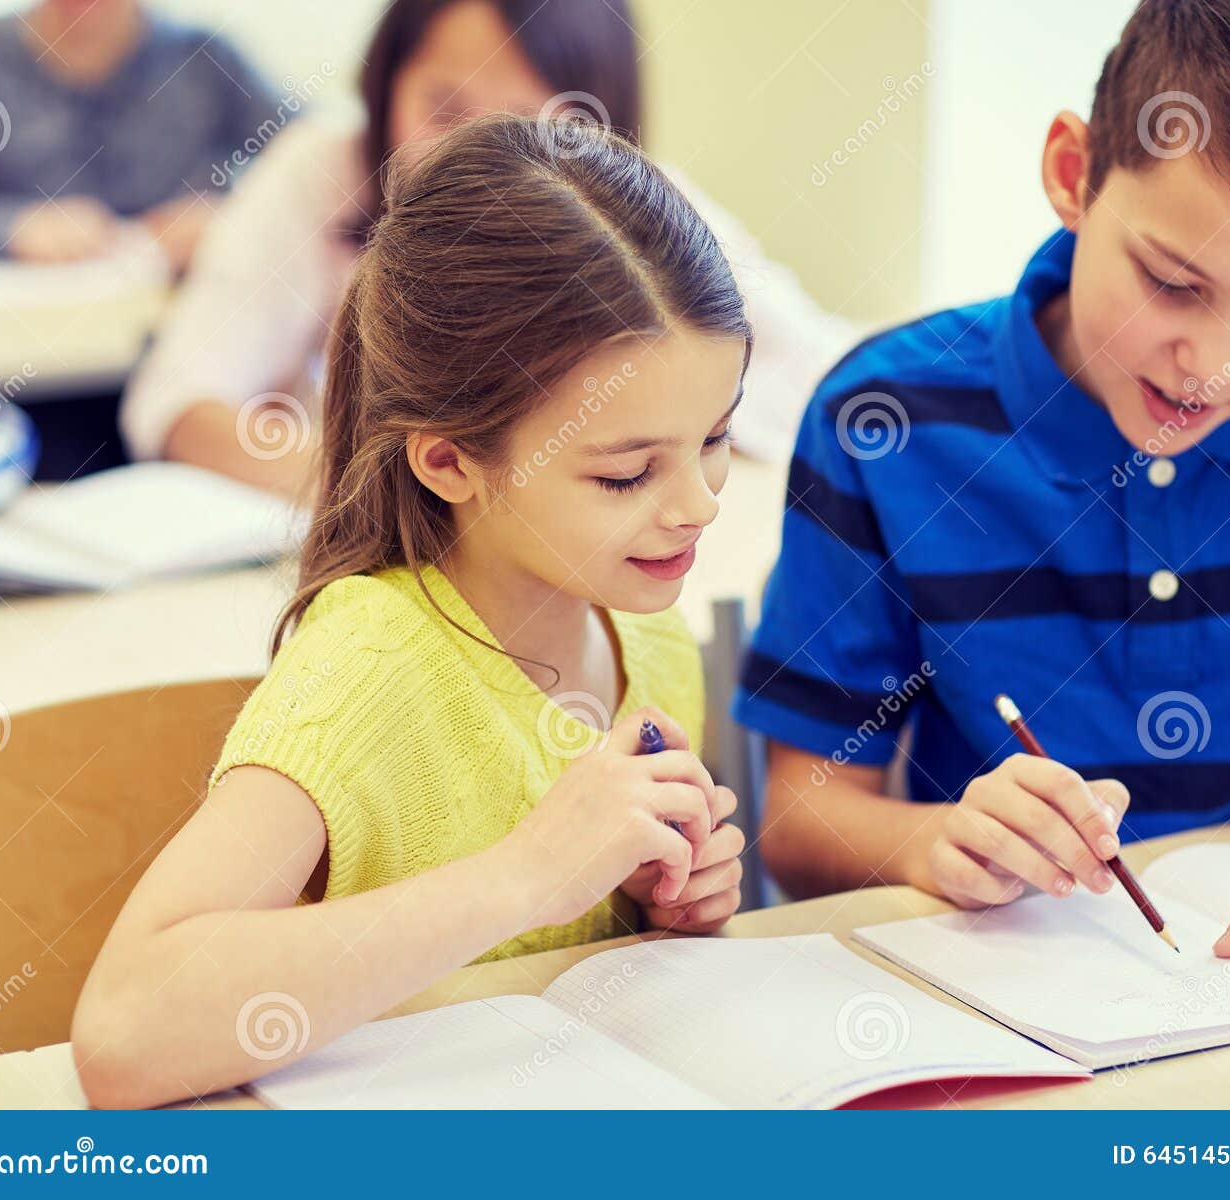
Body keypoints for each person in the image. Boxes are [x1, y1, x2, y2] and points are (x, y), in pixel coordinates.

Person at [733, 0, 1230, 1004]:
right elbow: (803, 825)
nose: (1215, 366)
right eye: (1173, 284)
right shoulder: (886, 421)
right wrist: (937, 839)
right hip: (1016, 1016)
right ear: (1073, 172)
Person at [73, 113, 748, 1108]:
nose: (697, 503)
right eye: (625, 474)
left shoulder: (643, 627)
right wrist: (527, 876)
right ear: (448, 460)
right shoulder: (371, 662)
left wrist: (669, 907)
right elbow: (125, 1035)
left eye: (716, 438)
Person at [120, 0, 853, 497]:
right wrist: (398, 498)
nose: (480, 161)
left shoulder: (640, 207)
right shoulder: (321, 174)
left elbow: (824, 377)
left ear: (601, 131)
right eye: (445, 108)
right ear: (384, 86)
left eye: (534, 128)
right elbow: (179, 401)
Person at [0, 0, 279, 269]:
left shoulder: (206, 59)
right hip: (10, 344)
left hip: (181, 331)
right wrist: (9, 229)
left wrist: (233, 215)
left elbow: (319, 166)